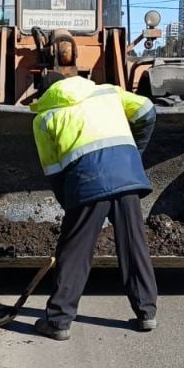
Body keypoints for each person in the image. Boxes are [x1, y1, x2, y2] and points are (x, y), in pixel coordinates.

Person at [28, 50, 158, 340]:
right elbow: (147, 111)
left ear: (45, 93)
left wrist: (70, 204)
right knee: (134, 244)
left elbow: (53, 169)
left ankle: (59, 320)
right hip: (126, 176)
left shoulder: (44, 117)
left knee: (74, 251)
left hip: (87, 182)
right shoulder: (107, 93)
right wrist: (134, 154)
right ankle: (146, 312)